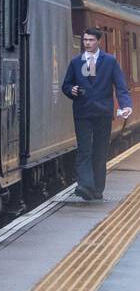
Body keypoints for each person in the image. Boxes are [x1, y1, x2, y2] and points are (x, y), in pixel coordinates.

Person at [61, 27, 132, 200]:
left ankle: (98, 188)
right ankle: (85, 185)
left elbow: (121, 87)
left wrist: (126, 105)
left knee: (100, 151)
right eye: (85, 40)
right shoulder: (76, 62)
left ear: (98, 41)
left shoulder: (110, 62)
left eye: (91, 40)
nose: (87, 43)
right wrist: (73, 90)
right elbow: (66, 85)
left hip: (103, 113)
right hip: (83, 113)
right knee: (84, 150)